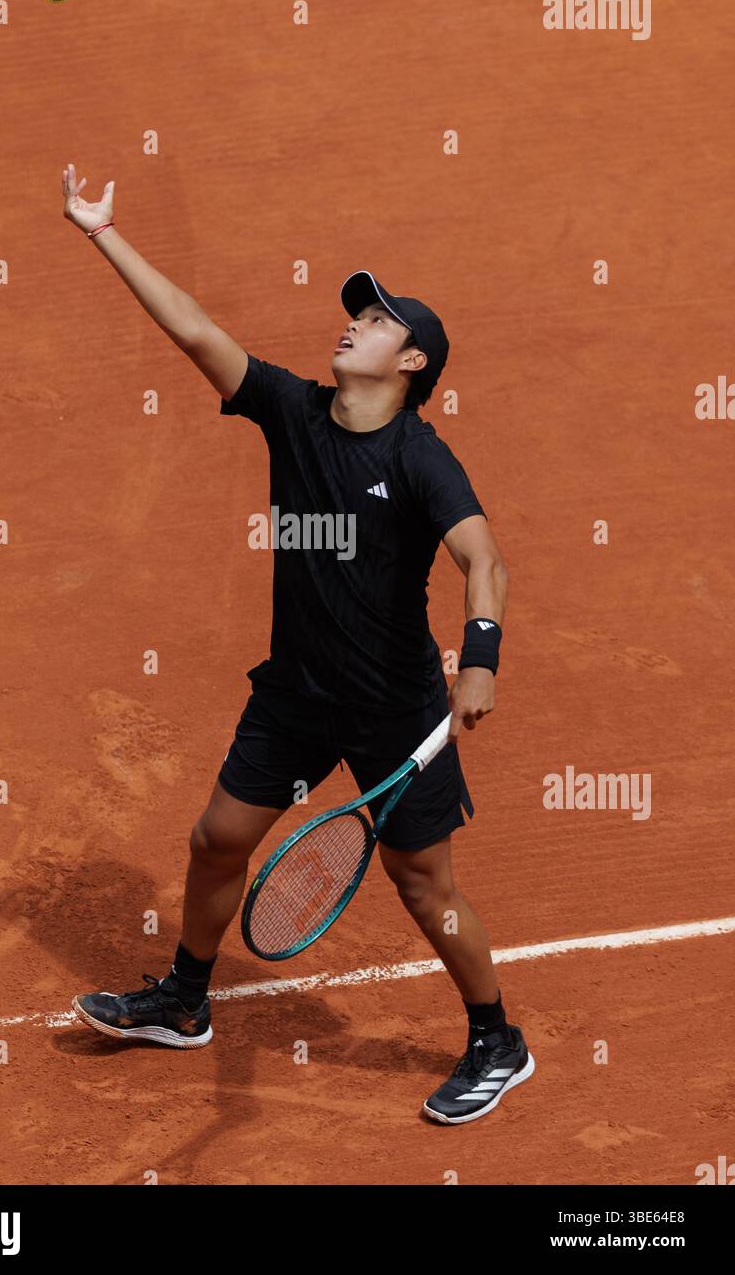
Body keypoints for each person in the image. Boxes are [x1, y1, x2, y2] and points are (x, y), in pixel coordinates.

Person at [63, 164, 535, 1124]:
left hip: (394, 704)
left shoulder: (419, 458)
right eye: (358, 314)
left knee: (422, 881)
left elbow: (484, 559)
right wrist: (102, 233)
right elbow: (194, 327)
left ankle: (497, 1038)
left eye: (378, 321)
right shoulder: (292, 409)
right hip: (297, 692)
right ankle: (185, 1002)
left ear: (410, 366)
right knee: (217, 839)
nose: (354, 322)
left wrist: (478, 655)